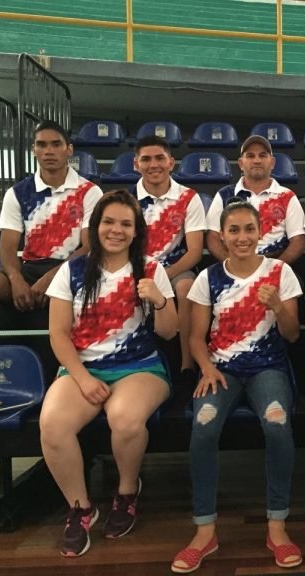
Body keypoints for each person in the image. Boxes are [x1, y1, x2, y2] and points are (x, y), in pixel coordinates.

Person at [39, 190, 178, 557]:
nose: (116, 230)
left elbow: (169, 332)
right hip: (82, 367)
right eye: (109, 222)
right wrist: (83, 378)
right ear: (96, 226)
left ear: (136, 231)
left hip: (140, 367)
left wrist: (159, 300)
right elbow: (58, 334)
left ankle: (127, 491)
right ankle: (80, 508)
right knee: (52, 424)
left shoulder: (151, 269)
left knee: (125, 420)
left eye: (126, 224)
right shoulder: (71, 271)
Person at [172, 199, 303, 572]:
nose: (242, 237)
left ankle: (277, 526)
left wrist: (277, 306)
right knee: (203, 427)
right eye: (234, 230)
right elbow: (196, 337)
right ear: (222, 236)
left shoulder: (280, 272)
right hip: (221, 370)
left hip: (268, 368)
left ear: (261, 233)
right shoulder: (208, 278)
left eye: (249, 229)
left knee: (277, 425)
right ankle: (204, 531)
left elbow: (292, 334)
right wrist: (206, 368)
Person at [0, 119, 103, 349]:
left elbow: (89, 247)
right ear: (33, 150)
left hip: (73, 268)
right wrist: (16, 279)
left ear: (69, 149)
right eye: (42, 145)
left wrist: (52, 278)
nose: (49, 151)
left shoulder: (89, 192)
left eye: (56, 144)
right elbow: (7, 247)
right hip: (29, 269)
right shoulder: (17, 193)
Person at [130, 135, 208, 387]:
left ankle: (186, 366)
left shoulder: (189, 198)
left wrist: (161, 277)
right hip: (136, 269)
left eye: (159, 158)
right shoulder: (126, 200)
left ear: (171, 163)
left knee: (186, 288)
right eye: (146, 159)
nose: (154, 164)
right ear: (136, 164)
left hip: (176, 268)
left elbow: (194, 252)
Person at [205, 135, 305, 266]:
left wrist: (274, 269)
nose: (257, 161)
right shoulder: (224, 195)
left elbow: (298, 241)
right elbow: (212, 237)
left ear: (272, 163)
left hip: (275, 263)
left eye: (262, 155)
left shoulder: (287, 196)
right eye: (250, 156)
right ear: (241, 163)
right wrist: (232, 264)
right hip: (232, 262)